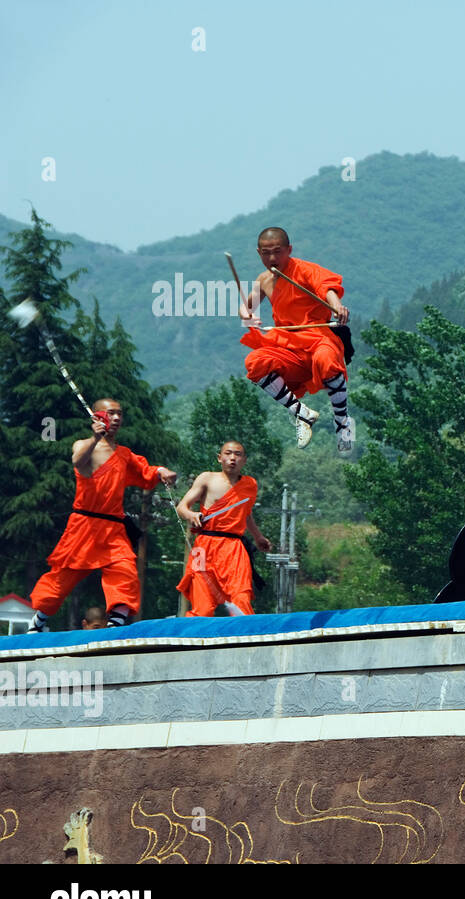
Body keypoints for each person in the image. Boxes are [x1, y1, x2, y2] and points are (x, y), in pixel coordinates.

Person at [28, 399, 178, 632]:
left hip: (113, 527)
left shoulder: (124, 454)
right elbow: (78, 462)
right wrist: (95, 438)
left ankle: (116, 623)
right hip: (84, 525)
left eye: (120, 414)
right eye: (111, 413)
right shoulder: (83, 445)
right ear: (97, 417)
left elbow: (145, 471)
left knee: (125, 569)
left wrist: (162, 472)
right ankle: (38, 622)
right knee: (62, 579)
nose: (117, 418)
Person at [239, 227, 354, 452]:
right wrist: (247, 314)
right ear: (258, 253)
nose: (272, 258)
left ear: (289, 250)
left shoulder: (305, 270)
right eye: (265, 253)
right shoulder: (263, 280)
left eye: (277, 251)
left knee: (326, 358)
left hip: (318, 338)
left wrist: (337, 306)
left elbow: (327, 288)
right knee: (255, 362)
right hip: (287, 344)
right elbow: (247, 307)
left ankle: (343, 423)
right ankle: (301, 414)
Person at [175, 441, 272, 616]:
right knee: (203, 606)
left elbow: (245, 513)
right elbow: (182, 507)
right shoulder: (207, 478)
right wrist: (192, 515)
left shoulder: (250, 485)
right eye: (228, 453)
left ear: (245, 460)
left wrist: (258, 537)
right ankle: (196, 639)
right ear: (220, 458)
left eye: (238, 454)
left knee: (241, 599)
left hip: (234, 548)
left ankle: (244, 638)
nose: (232, 458)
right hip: (203, 547)